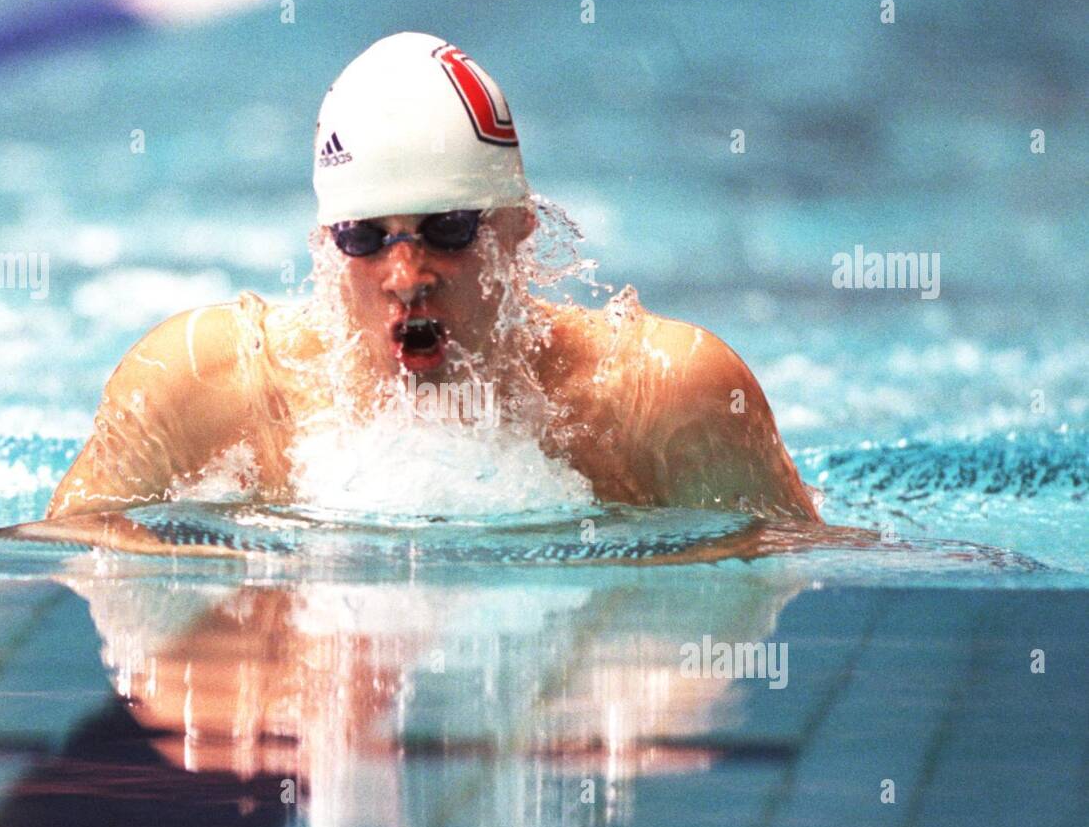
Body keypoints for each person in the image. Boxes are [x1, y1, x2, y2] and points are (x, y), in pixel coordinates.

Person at [47, 32, 819, 522]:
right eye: (365, 238)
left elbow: (774, 587)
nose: (406, 274)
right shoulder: (202, 385)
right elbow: (74, 563)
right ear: (325, 246)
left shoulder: (663, 396)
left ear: (518, 230)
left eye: (448, 230)